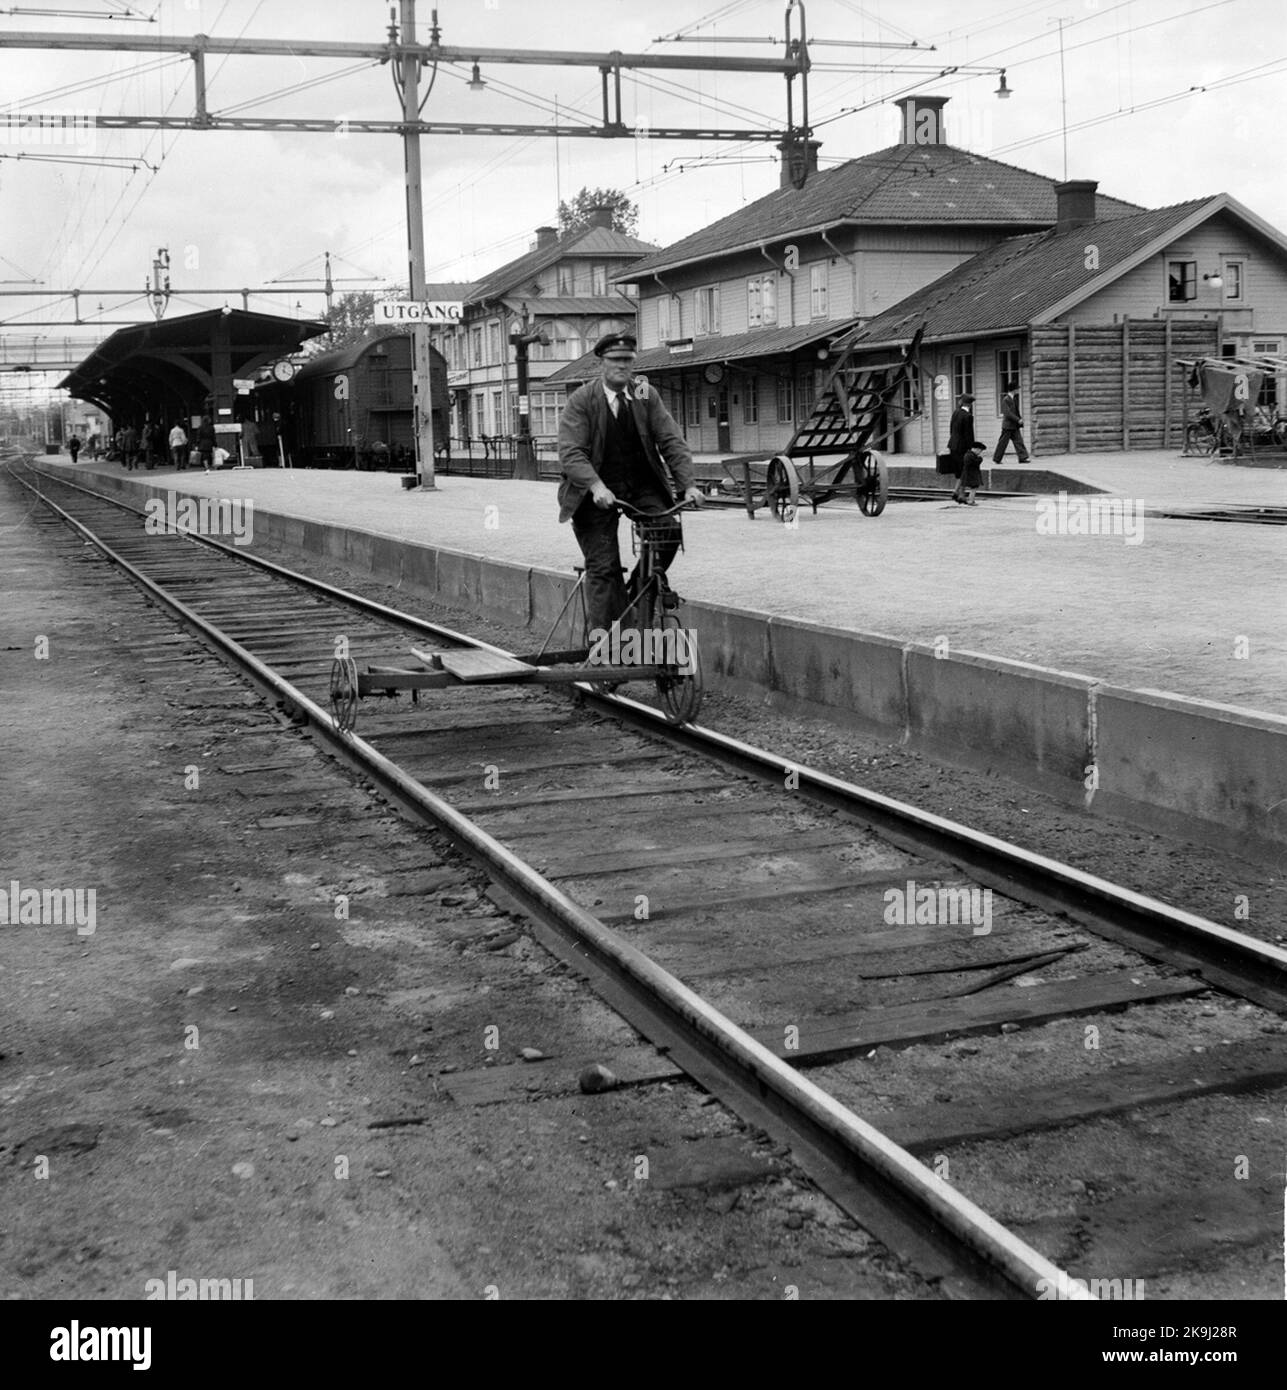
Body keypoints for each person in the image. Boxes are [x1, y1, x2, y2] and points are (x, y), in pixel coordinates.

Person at [558, 332, 702, 634]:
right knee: (603, 566)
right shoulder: (583, 400)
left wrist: (688, 484)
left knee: (668, 531)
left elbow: (671, 440)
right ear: (601, 363)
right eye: (615, 360)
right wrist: (597, 486)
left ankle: (638, 593)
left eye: (628, 361)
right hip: (593, 491)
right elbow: (571, 453)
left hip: (639, 485)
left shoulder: (643, 394)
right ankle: (606, 647)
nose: (622, 367)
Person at [947, 392, 980, 505]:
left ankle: (957, 493)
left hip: (952, 445)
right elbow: (969, 435)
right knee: (965, 471)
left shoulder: (955, 413)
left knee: (959, 471)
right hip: (962, 448)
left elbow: (951, 429)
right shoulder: (968, 417)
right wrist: (972, 449)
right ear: (970, 405)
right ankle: (959, 494)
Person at [994, 386, 1032, 464]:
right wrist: (1017, 419)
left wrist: (1019, 419)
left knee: (1019, 441)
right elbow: (1007, 413)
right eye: (1017, 389)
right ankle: (997, 458)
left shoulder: (1014, 399)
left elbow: (1016, 412)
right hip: (1007, 426)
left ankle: (1022, 458)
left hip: (1014, 426)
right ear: (1013, 390)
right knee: (1003, 443)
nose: (1018, 390)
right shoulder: (1006, 399)